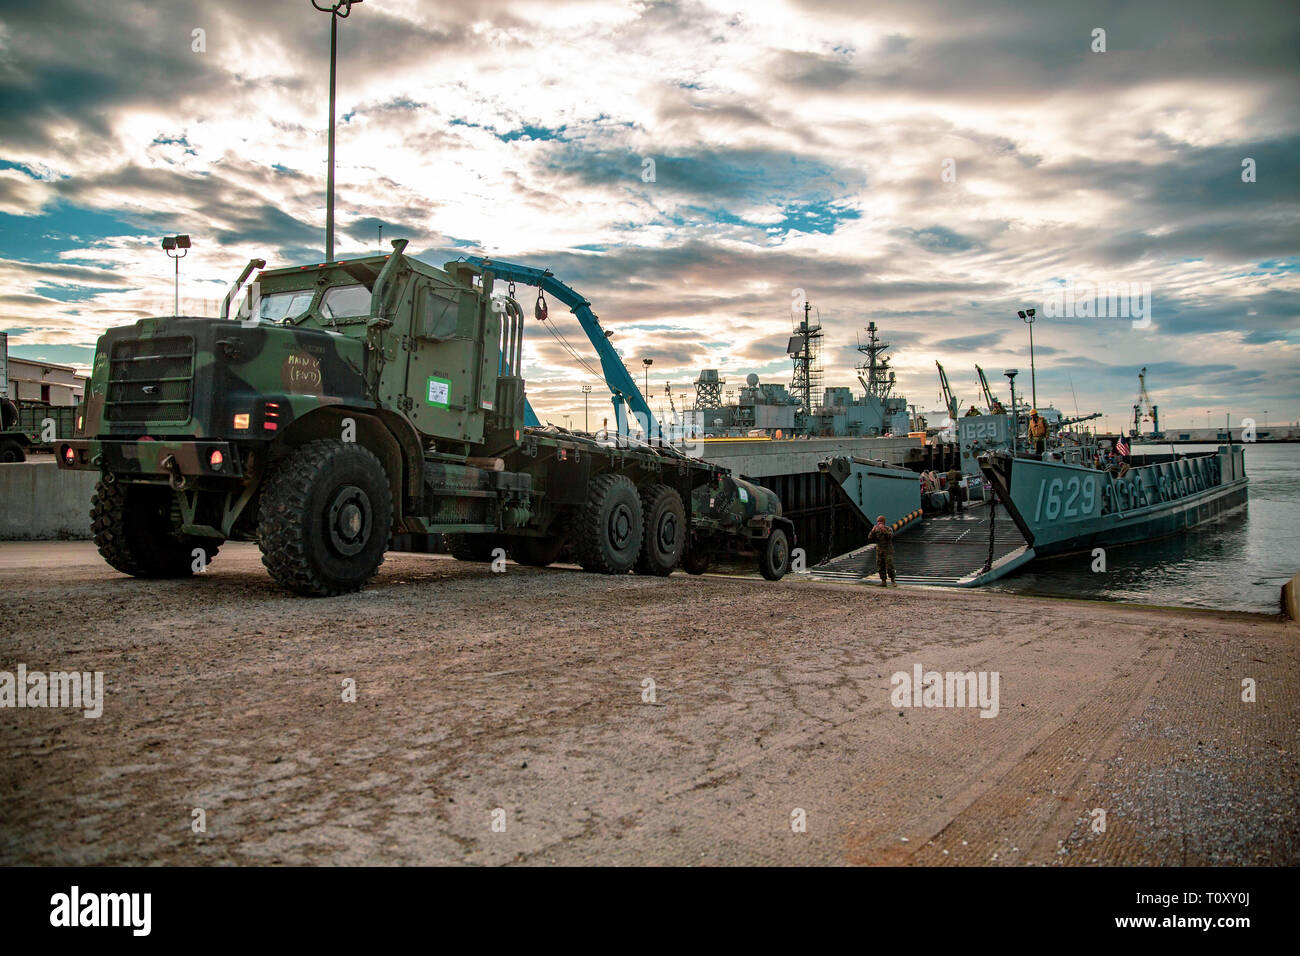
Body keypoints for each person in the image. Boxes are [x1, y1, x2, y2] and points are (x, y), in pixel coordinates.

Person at [867, 514, 896, 587]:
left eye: (880, 521)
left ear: (883, 522)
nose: (878, 523)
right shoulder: (876, 529)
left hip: (887, 550)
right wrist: (872, 531)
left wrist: (884, 531)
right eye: (878, 522)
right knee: (880, 566)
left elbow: (890, 537)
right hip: (879, 551)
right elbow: (869, 538)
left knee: (890, 566)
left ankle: (893, 581)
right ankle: (883, 581)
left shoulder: (888, 529)